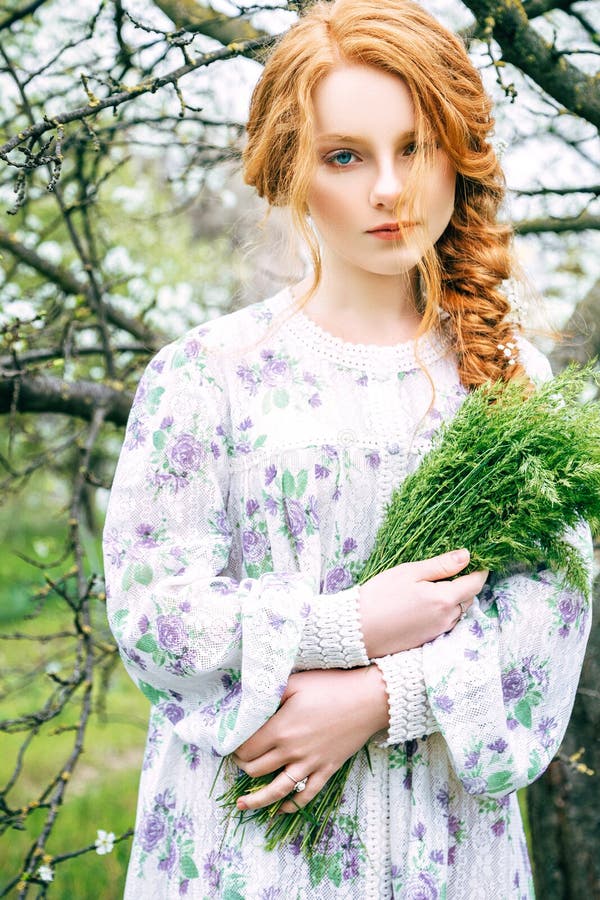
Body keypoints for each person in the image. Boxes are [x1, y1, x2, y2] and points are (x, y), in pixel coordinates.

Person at [103, 1, 593, 897]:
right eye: (345, 156)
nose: (388, 189)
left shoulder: (510, 382)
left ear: (460, 151)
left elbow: (547, 623)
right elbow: (156, 612)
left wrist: (377, 700)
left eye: (415, 146)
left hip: (443, 852)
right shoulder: (207, 375)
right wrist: (347, 628)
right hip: (247, 847)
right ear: (290, 169)